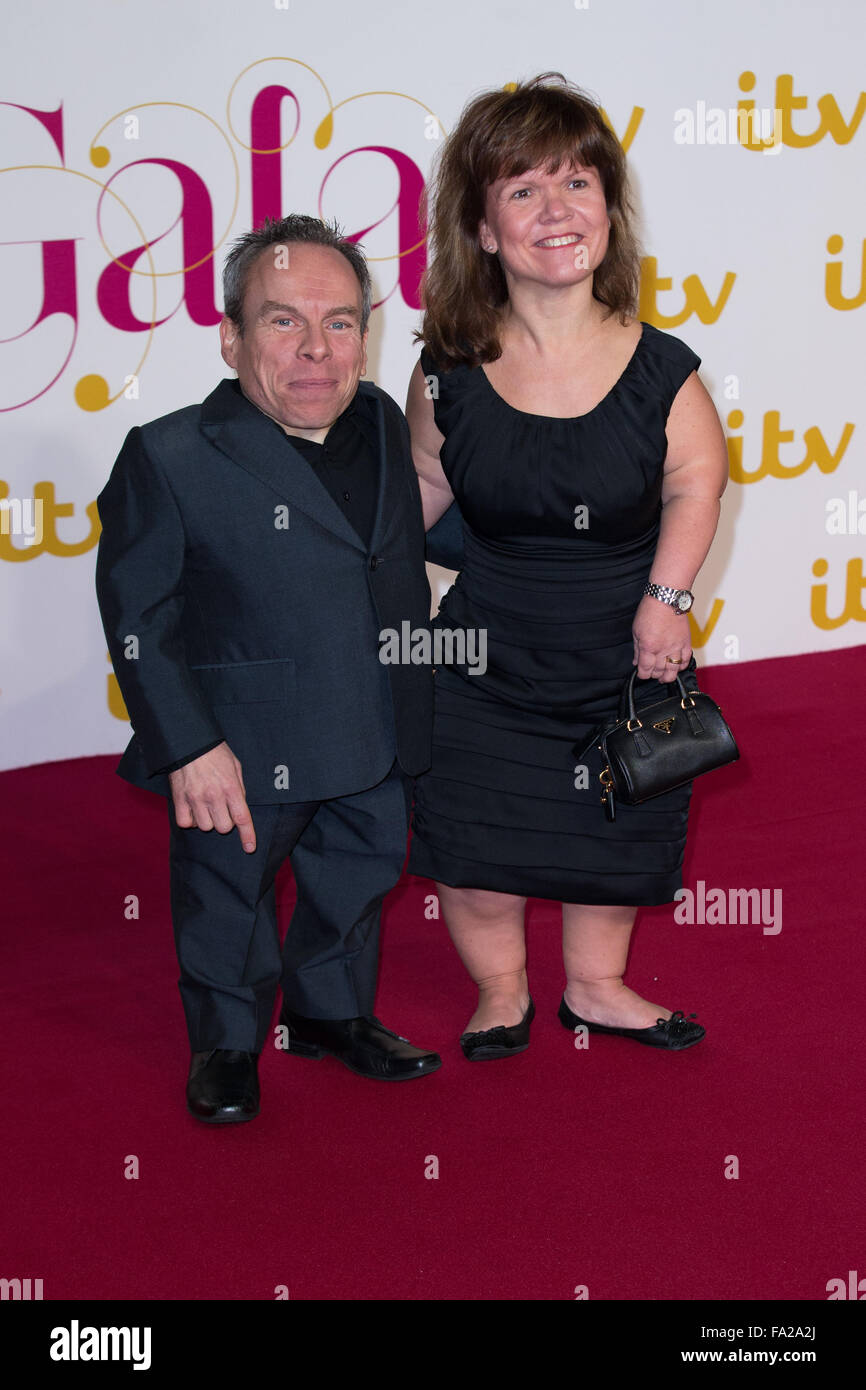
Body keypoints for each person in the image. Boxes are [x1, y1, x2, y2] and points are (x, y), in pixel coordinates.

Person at [405, 74, 729, 1060]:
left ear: (607, 211)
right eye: (523, 189)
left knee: (611, 824)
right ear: (482, 228)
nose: (558, 210)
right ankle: (500, 991)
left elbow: (694, 486)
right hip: (485, 650)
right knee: (472, 844)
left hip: (626, 643)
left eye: (578, 183)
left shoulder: (660, 368)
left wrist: (666, 599)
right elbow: (419, 491)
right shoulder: (445, 368)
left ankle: (595, 987)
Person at [96, 215, 441, 1124]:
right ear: (231, 336)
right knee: (227, 895)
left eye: (339, 322)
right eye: (283, 321)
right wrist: (188, 746)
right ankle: (227, 1041)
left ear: (365, 333)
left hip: (372, 720)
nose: (316, 350)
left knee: (358, 876)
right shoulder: (170, 455)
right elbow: (140, 618)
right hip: (241, 748)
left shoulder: (380, 416)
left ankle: (330, 1014)